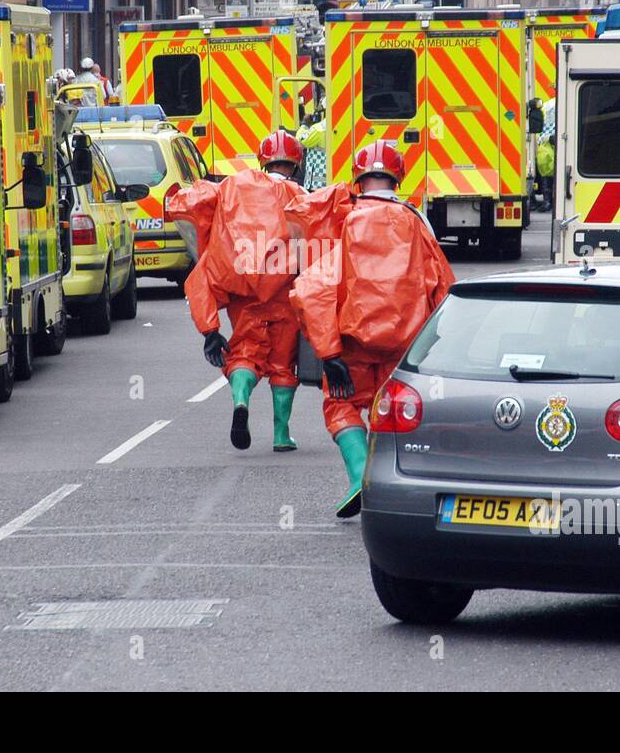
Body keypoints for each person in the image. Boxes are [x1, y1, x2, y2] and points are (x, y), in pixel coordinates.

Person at [286, 141, 455, 518]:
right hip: (404, 346)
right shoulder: (416, 222)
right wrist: (435, 347)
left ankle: (359, 475)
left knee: (341, 404)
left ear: (358, 178)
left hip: (352, 346)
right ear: (399, 177)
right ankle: (400, 488)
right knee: (396, 410)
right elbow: (443, 286)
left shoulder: (344, 220)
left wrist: (329, 354)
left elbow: (313, 290)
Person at [168, 130, 306, 452]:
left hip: (242, 295)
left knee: (245, 352)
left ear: (263, 160)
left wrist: (210, 330)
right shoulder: (299, 195)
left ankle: (241, 401)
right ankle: (281, 435)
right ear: (296, 164)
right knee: (283, 364)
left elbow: (191, 202)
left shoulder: (234, 186)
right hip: (284, 294)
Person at [535, 135, 556, 212]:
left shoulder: (547, 148)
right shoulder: (545, 149)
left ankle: (548, 203)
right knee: (547, 189)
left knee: (548, 189)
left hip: (548, 173)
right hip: (548, 173)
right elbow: (543, 162)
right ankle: (548, 203)